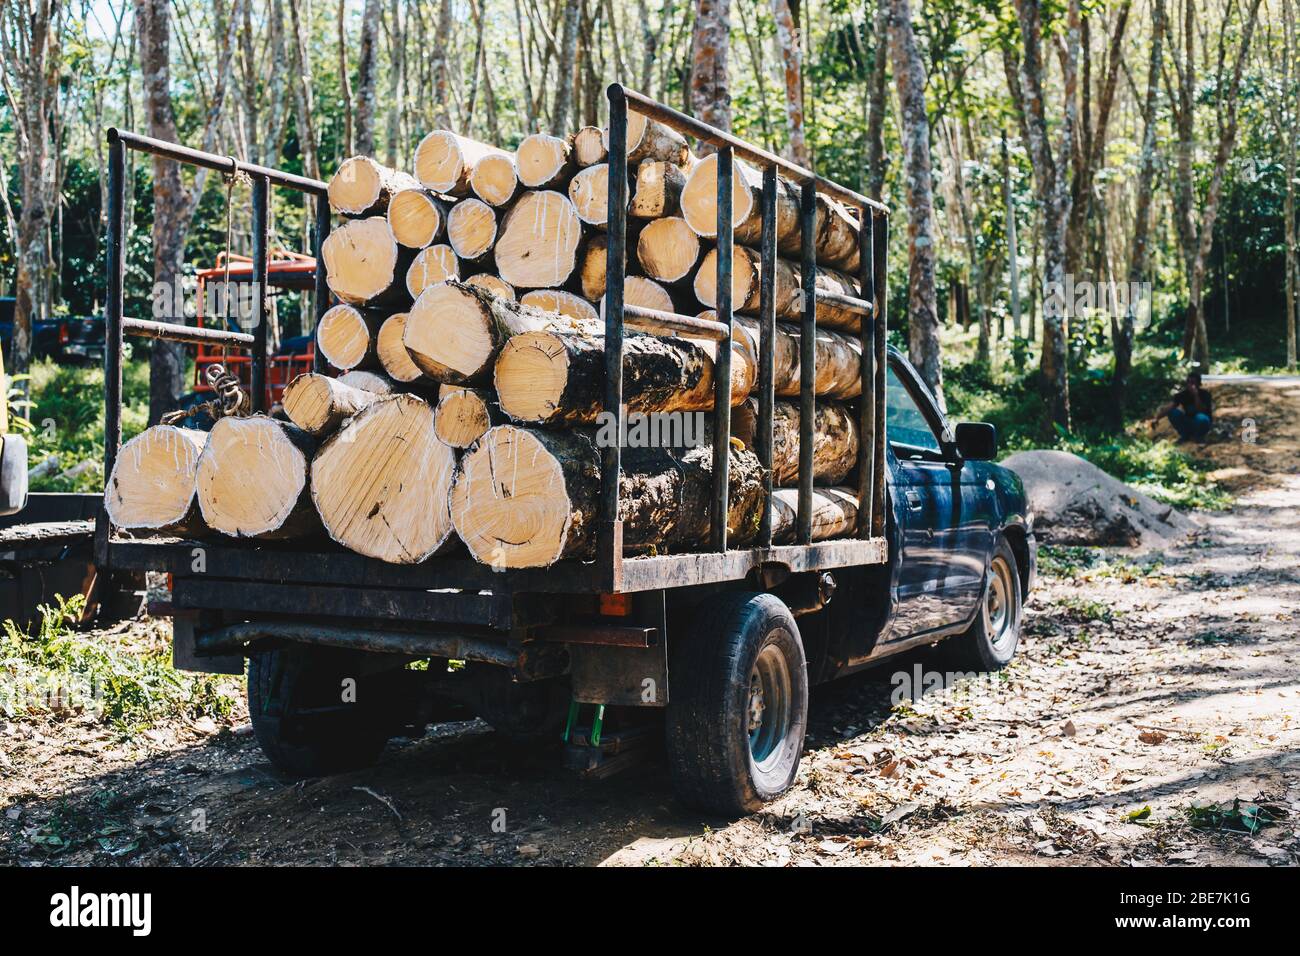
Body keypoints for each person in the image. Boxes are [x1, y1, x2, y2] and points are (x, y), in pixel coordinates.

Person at [1154, 370, 1213, 441]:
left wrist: (1196, 396)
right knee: (1173, 412)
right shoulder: (1182, 395)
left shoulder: (1205, 394)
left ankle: (1199, 436)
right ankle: (1185, 435)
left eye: (1193, 382)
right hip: (1189, 421)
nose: (1190, 385)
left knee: (1201, 418)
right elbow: (1171, 407)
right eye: (1188, 382)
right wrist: (1157, 418)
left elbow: (1201, 410)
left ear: (1198, 384)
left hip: (1202, 422)